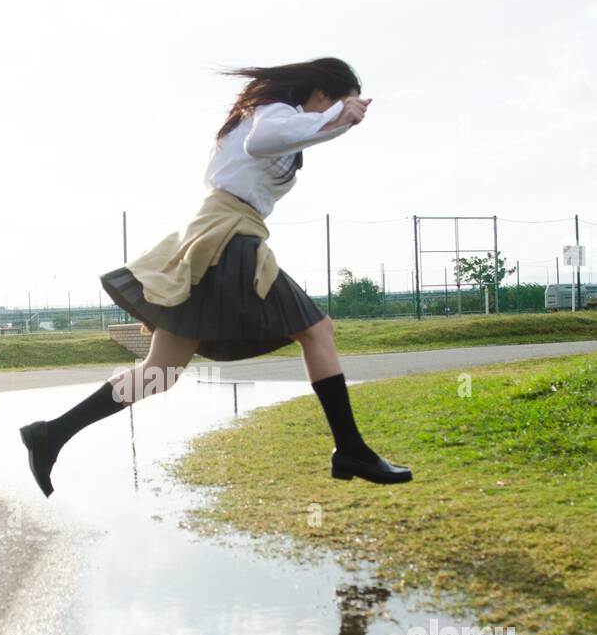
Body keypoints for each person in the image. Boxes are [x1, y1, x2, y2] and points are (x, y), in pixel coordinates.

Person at [20, 57, 412, 497]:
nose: (338, 111)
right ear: (321, 94)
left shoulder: (275, 118)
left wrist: (337, 122)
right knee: (318, 330)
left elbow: (283, 140)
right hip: (229, 238)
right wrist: (337, 116)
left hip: (215, 237)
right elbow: (264, 141)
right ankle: (351, 448)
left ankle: (50, 434)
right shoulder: (272, 115)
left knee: (160, 372)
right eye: (337, 100)